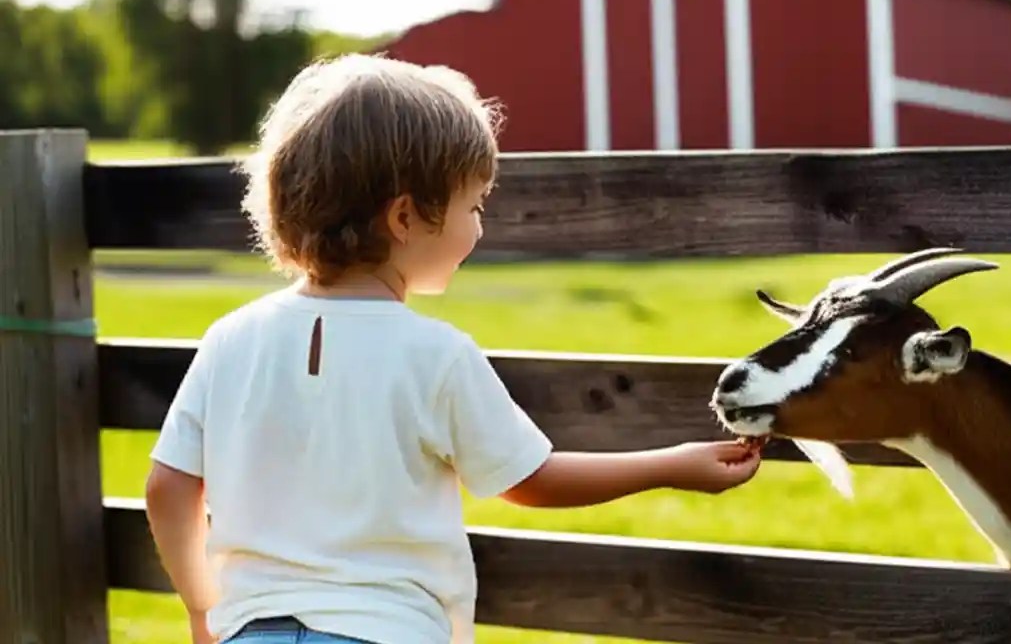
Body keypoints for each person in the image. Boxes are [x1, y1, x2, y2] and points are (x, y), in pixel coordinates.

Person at [143, 53, 762, 644]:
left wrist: (204, 607)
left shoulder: (230, 339)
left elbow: (167, 487)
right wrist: (669, 466)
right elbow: (530, 479)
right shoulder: (435, 355)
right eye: (475, 204)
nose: (480, 225)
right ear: (406, 218)